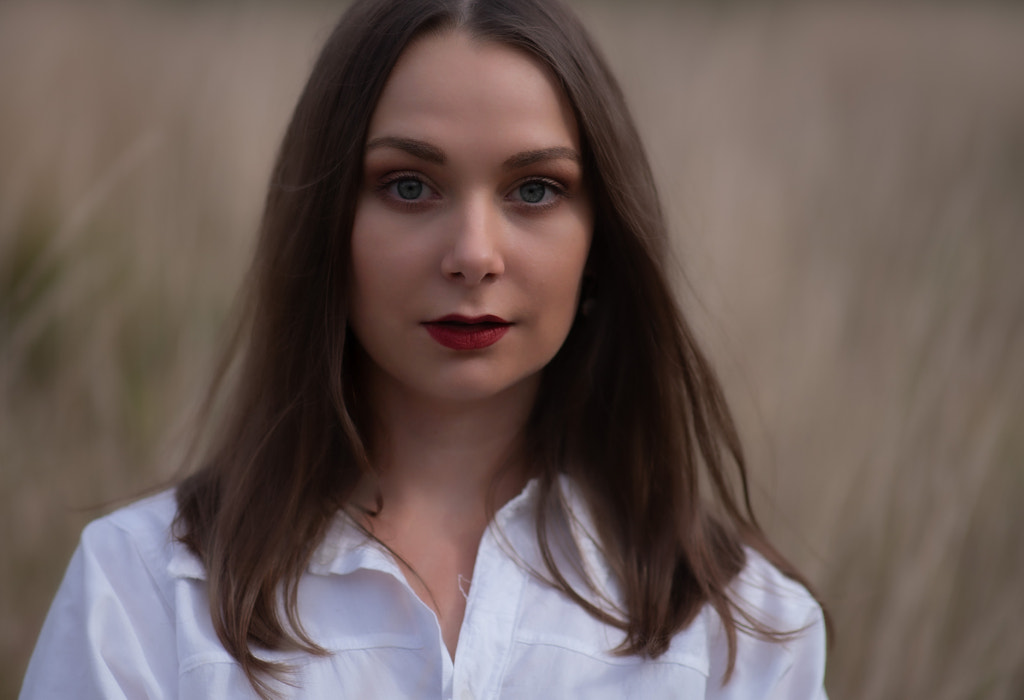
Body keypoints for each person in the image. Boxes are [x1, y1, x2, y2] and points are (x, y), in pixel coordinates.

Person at [20, 0, 829, 698]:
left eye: (534, 190)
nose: (474, 253)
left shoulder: (744, 631)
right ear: (326, 225)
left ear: (602, 238)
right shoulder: (142, 596)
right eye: (409, 186)